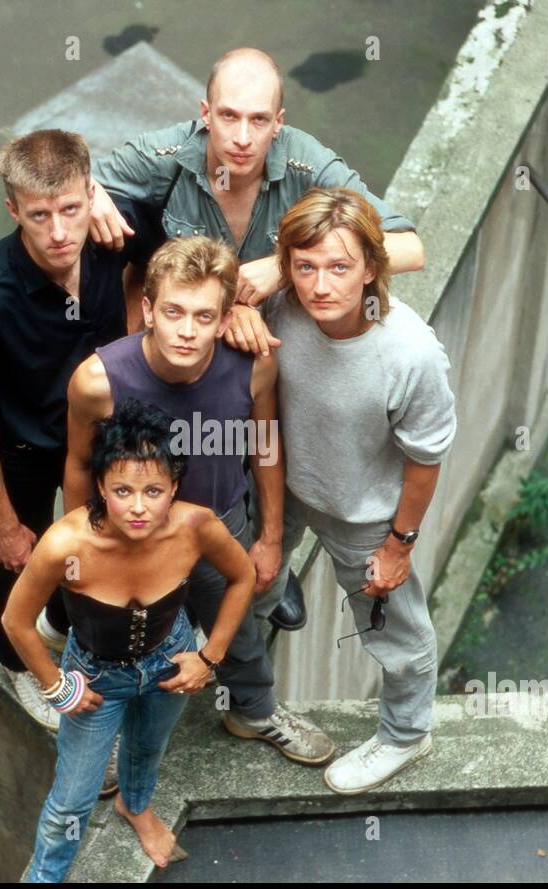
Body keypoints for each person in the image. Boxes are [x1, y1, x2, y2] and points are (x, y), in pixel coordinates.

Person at [86, 46, 428, 629]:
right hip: (193, 329)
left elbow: (409, 247)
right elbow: (80, 178)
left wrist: (285, 262)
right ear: (205, 113)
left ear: (280, 122)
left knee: (269, 454)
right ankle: (174, 576)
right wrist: (93, 196)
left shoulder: (305, 166)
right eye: (228, 117)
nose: (241, 136)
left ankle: (268, 568)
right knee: (189, 453)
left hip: (279, 337)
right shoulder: (172, 152)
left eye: (258, 120)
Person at [65, 235, 335, 765]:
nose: (187, 331)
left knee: (240, 633)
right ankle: (107, 731)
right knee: (116, 638)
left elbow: (265, 450)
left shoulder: (253, 366)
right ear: (147, 309)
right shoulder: (98, 382)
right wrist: (84, 544)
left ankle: (254, 712)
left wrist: (270, 536)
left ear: (225, 316)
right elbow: (77, 464)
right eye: (173, 312)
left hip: (221, 525)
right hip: (131, 535)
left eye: (204, 316)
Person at [0, 129, 160, 730]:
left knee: (96, 546)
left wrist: (133, 328)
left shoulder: (117, 229)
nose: (60, 232)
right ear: (14, 211)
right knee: (17, 558)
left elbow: (159, 259)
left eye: (71, 208)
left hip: (100, 435)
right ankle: (17, 664)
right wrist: (3, 523)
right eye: (40, 216)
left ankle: (65, 628)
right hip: (24, 449)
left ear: (93, 194)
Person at [251, 186, 459, 794]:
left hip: (365, 513)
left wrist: (398, 544)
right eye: (306, 266)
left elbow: (425, 461)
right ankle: (243, 697)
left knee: (397, 635)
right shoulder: (282, 308)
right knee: (251, 584)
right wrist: (268, 528)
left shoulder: (411, 355)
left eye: (340, 267)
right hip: (285, 488)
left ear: (372, 266)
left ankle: (406, 735)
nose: (321, 285)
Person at [7, 398, 255, 882]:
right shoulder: (65, 544)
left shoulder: (194, 525)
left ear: (174, 487)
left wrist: (209, 657)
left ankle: (135, 806)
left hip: (169, 660)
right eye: (122, 490)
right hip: (95, 676)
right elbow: (16, 620)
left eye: (154, 490)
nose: (139, 507)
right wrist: (57, 686)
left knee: (147, 751)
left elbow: (242, 577)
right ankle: (45, 876)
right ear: (100, 486)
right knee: (72, 799)